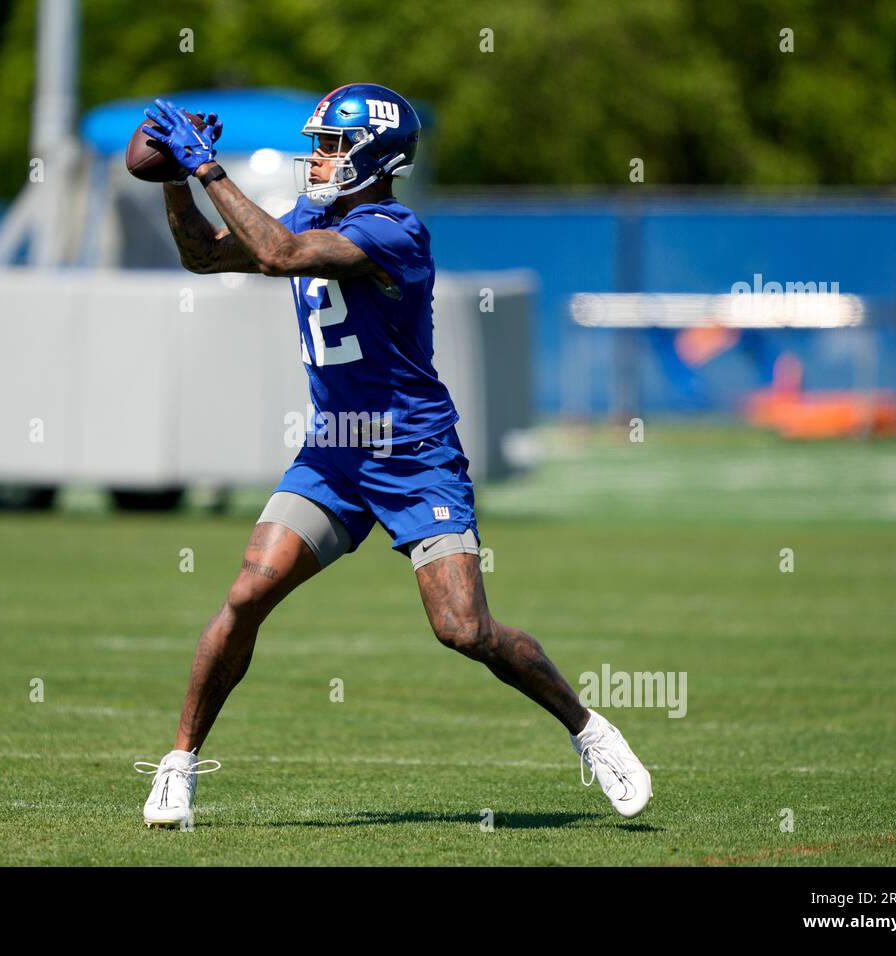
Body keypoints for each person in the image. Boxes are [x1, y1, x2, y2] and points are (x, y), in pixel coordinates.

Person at [133, 84, 651, 828]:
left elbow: (278, 255)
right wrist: (176, 182)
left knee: (464, 631)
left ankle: (589, 729)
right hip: (334, 453)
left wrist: (210, 169)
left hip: (413, 453)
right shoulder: (318, 210)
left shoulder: (392, 230)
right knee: (248, 593)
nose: (319, 157)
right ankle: (178, 766)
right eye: (318, 142)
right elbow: (203, 258)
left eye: (334, 145)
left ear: (378, 155)